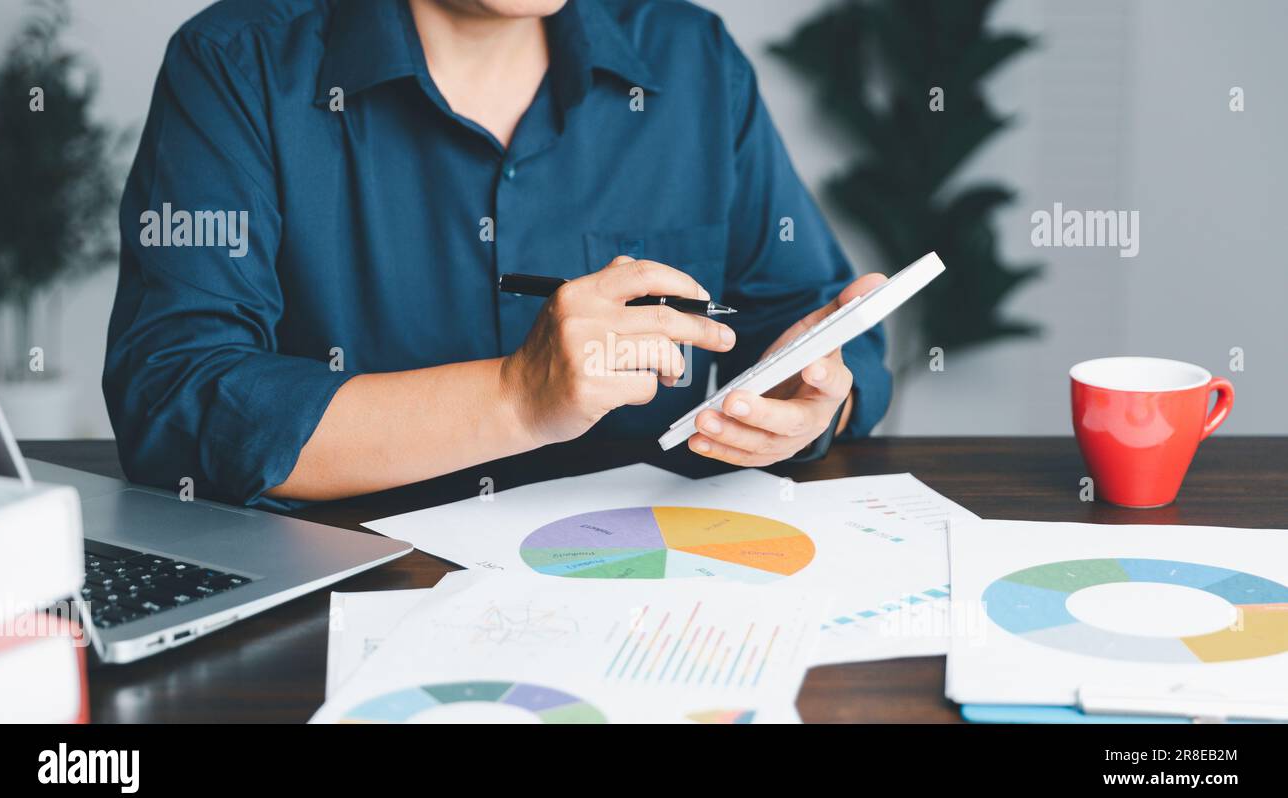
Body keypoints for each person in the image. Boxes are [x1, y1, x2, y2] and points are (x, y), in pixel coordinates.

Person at [103, 0, 891, 507]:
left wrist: (814, 395)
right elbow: (174, 394)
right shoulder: (236, 63)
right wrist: (517, 396)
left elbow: (808, 313)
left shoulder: (693, 60)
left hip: (636, 593)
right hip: (343, 598)